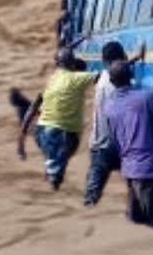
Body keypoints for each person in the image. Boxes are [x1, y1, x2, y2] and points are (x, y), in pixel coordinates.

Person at [102, 61, 153, 230]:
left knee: (136, 220)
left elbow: (114, 140)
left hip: (128, 168)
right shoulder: (146, 97)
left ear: (111, 82)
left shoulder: (108, 107)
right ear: (131, 76)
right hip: (148, 169)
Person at [16, 47, 99, 190]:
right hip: (63, 134)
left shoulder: (52, 79)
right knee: (58, 169)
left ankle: (52, 172)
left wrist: (22, 135)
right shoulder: (78, 78)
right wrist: (134, 58)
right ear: (73, 65)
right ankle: (54, 180)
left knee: (55, 158)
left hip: (41, 133)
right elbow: (110, 73)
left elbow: (34, 106)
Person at [83, 41, 145, 206]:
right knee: (135, 189)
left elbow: (119, 68)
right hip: (118, 146)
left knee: (91, 197)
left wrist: (134, 58)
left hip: (99, 145)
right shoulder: (123, 87)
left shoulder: (104, 76)